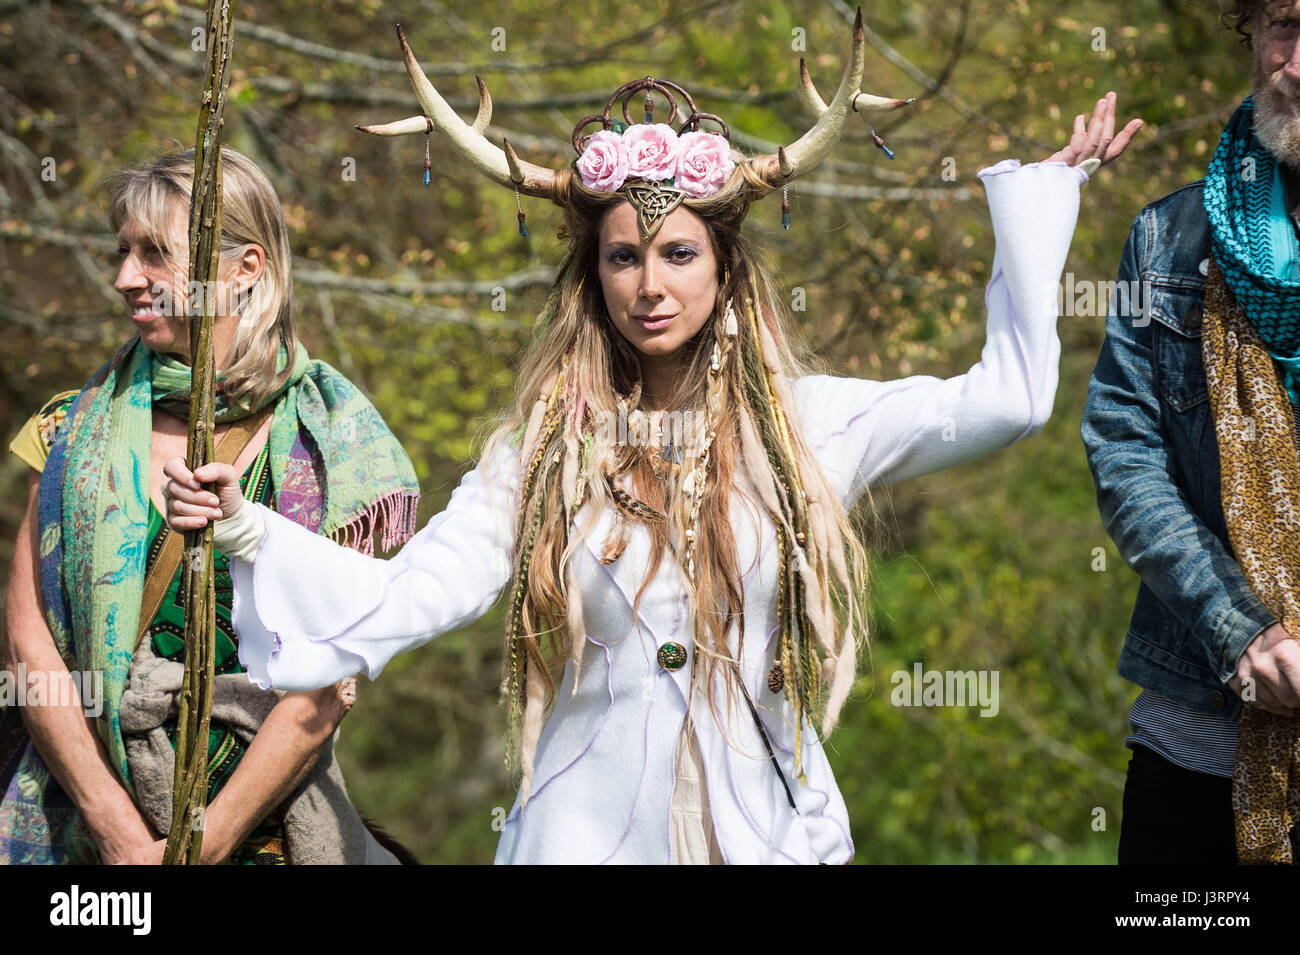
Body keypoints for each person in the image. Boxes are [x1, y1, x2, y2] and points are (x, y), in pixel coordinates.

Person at [164, 18, 1139, 863]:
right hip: (579, 840)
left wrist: (1042, 199)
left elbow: (1010, 398)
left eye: (677, 254)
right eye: (623, 258)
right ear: (595, 276)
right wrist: (249, 528)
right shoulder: (540, 447)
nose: (648, 284)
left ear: (723, 266)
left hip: (767, 832)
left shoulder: (808, 423)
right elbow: (419, 591)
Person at [1, 147, 418, 864]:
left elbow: (329, 676)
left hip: (261, 834)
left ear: (246, 267)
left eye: (156, 254)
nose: (126, 277)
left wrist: (208, 840)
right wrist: (117, 830)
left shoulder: (328, 442)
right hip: (83, 831)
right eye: (123, 251)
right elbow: (26, 646)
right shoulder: (68, 431)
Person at [1082, 0, 1300, 865]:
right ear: (1249, 33)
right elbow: (1124, 453)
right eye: (1287, 25)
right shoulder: (1166, 243)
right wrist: (1246, 632)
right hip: (1199, 736)